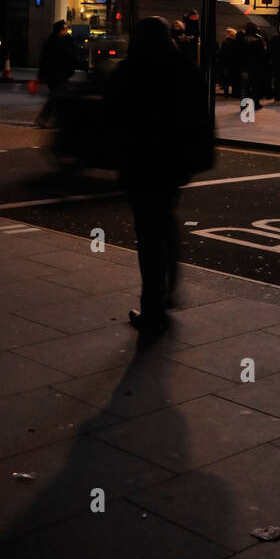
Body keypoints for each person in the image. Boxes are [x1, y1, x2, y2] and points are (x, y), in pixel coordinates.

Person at [104, 17, 214, 335]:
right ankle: (168, 291)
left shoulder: (129, 71)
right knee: (164, 223)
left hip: (140, 164)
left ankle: (153, 305)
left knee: (149, 234)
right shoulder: (182, 68)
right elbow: (199, 116)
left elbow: (112, 118)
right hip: (172, 163)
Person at [35, 21, 79, 127]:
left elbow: (43, 59)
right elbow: (69, 56)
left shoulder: (51, 41)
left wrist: (41, 74)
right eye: (65, 29)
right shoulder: (60, 43)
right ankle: (45, 118)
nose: (67, 30)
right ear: (60, 30)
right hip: (58, 74)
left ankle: (54, 119)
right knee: (56, 96)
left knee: (58, 96)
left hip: (54, 74)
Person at [238, 23, 266, 107]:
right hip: (256, 66)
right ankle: (255, 103)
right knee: (255, 86)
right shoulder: (259, 38)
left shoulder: (241, 38)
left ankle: (244, 105)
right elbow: (262, 54)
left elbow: (236, 52)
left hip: (244, 65)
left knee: (244, 86)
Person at [218, 27, 239, 98]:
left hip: (225, 63)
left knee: (226, 79)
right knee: (233, 79)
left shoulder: (224, 43)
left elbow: (221, 53)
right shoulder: (235, 43)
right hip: (233, 63)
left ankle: (226, 94)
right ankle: (234, 93)